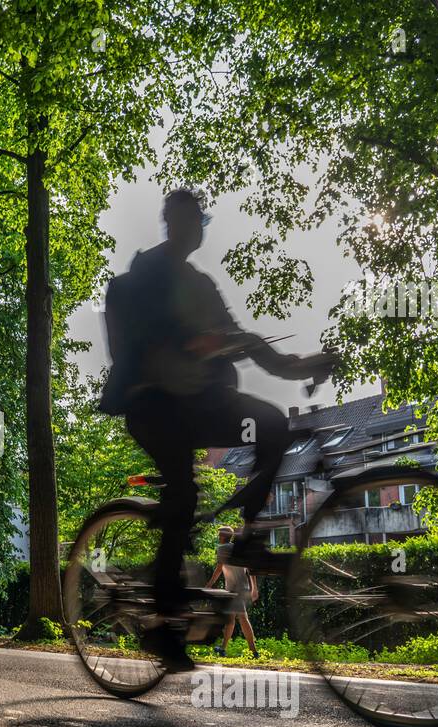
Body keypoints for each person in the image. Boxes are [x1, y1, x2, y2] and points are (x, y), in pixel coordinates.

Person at [100, 189, 333, 671]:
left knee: (273, 424)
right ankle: (163, 626)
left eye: (200, 221)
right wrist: (192, 345)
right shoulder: (143, 280)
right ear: (169, 221)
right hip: (154, 406)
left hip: (203, 404)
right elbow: (140, 347)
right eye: (187, 219)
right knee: (182, 498)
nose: (196, 228)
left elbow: (244, 341)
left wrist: (300, 365)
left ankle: (247, 536)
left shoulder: (202, 284)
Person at [204, 526, 259, 657]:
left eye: (219, 535)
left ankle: (254, 652)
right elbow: (251, 569)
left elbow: (219, 568)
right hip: (241, 588)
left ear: (223, 536)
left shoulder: (222, 548)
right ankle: (223, 648)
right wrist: (254, 588)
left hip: (235, 589)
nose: (218, 537)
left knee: (242, 618)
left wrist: (209, 584)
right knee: (230, 618)